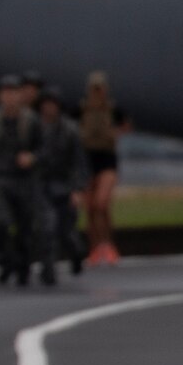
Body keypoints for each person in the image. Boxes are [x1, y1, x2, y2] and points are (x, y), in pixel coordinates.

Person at [0, 74, 52, 286]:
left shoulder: (32, 121)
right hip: (0, 178)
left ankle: (23, 265)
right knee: (0, 222)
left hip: (25, 180)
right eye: (5, 93)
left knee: (25, 226)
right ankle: (5, 260)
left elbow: (45, 149)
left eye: (13, 92)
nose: (9, 97)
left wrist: (32, 157)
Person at [77, 71, 133, 266]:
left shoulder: (113, 108)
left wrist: (114, 134)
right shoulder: (81, 108)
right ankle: (94, 248)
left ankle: (108, 244)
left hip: (107, 159)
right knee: (91, 207)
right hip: (88, 159)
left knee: (102, 203)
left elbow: (126, 125)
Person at [35, 85, 90, 276]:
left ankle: (76, 254)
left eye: (52, 104)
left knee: (66, 231)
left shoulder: (70, 130)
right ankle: (48, 268)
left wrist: (78, 189)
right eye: (45, 104)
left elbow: (78, 162)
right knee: (47, 227)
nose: (48, 108)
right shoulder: (34, 127)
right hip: (42, 185)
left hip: (64, 185)